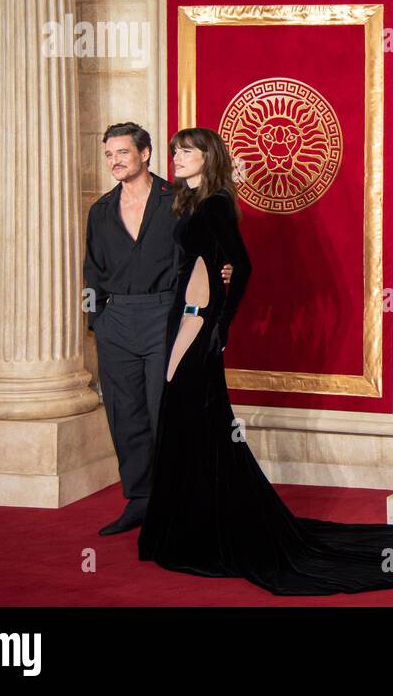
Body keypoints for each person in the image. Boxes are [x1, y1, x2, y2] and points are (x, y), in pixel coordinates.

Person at [137, 127, 393, 595]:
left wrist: (218, 324)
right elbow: (209, 263)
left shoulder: (213, 205)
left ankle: (202, 532)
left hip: (196, 325)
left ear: (207, 157)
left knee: (195, 424)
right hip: (186, 319)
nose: (176, 157)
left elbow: (240, 265)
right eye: (174, 151)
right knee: (196, 428)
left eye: (185, 151)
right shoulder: (192, 203)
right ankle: (194, 526)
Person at [84, 122, 233, 537]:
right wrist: (98, 320)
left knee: (164, 410)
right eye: (109, 154)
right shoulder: (100, 210)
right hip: (116, 321)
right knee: (124, 413)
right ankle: (140, 499)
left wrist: (221, 275)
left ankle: (178, 501)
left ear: (145, 154)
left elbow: (210, 254)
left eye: (123, 153)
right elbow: (91, 271)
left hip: (166, 315)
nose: (115, 161)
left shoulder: (179, 200)